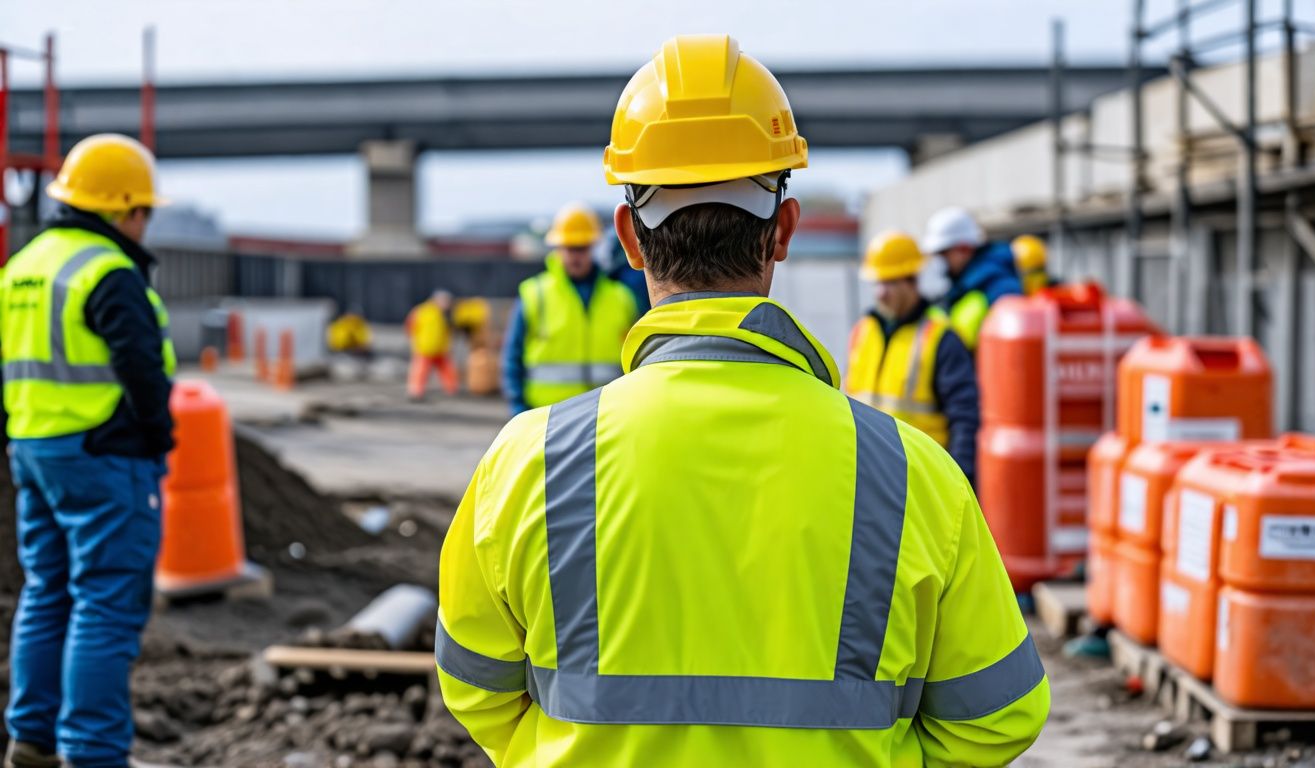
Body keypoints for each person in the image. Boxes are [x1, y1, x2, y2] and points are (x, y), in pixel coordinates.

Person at [436, 35, 1048, 768]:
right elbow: (1001, 714)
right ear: (783, 231)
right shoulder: (915, 474)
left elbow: (474, 685)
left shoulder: (523, 462)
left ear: (629, 239)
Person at [1, 134, 176, 768]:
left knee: (47, 592)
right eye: (143, 210)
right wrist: (158, 438)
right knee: (106, 603)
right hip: (106, 454)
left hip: (34, 450)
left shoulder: (23, 266)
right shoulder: (107, 270)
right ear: (125, 208)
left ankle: (33, 741)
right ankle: (94, 754)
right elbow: (142, 366)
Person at [846, 231, 980, 485]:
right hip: (866, 478)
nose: (880, 293)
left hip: (920, 481)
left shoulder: (940, 337)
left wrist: (959, 482)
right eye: (877, 283)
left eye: (889, 283)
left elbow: (965, 419)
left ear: (912, 282)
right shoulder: (862, 332)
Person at [500, 202, 638, 415]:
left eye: (581, 248)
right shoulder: (534, 294)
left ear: (593, 246)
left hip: (605, 417)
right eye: (569, 248)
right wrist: (519, 411)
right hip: (545, 417)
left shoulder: (621, 298)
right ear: (558, 248)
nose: (575, 255)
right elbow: (512, 358)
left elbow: (636, 361)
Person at [921, 206, 1022, 351]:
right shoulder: (964, 286)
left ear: (964, 249)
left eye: (943, 253)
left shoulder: (999, 287)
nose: (940, 261)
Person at [405, 290, 458, 401]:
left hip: (440, 348)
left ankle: (451, 389)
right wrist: (415, 342)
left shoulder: (445, 314)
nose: (447, 304)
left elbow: (448, 331)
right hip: (425, 347)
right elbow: (410, 326)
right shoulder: (422, 311)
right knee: (420, 371)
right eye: (445, 301)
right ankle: (416, 391)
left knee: (447, 370)